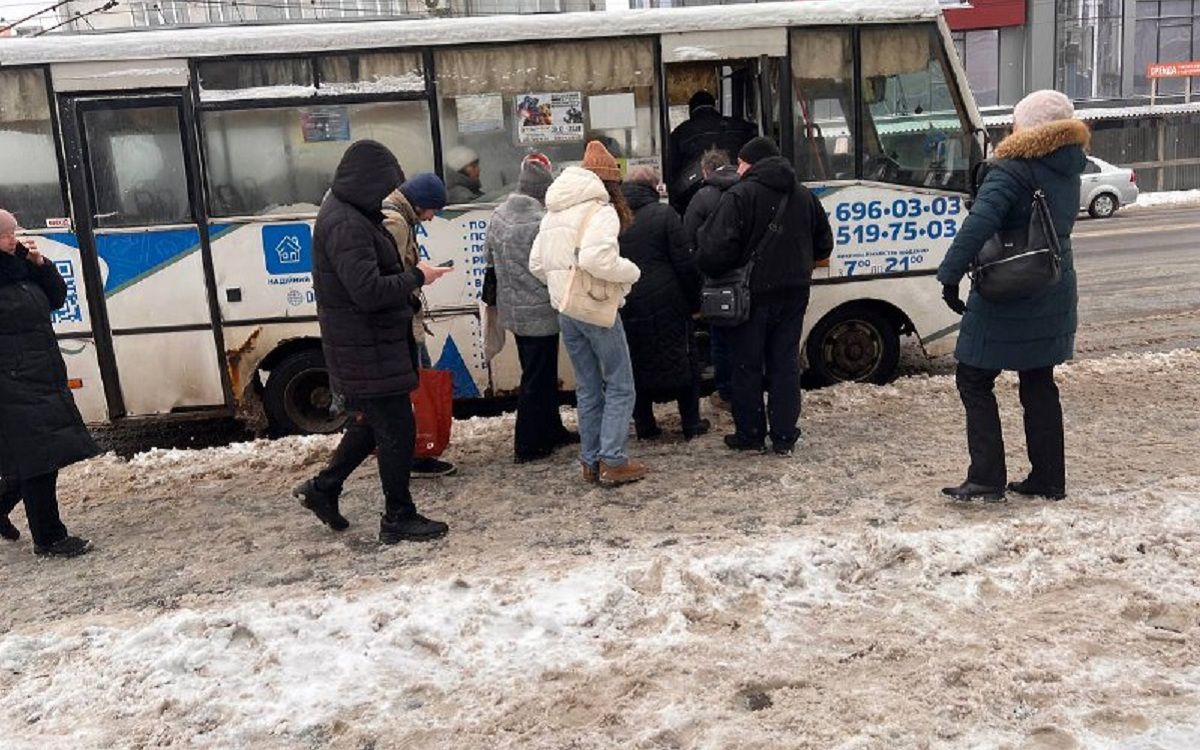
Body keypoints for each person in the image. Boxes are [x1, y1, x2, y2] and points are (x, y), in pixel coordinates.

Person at [294, 141, 454, 544]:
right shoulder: (346, 224)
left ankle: (323, 489)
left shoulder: (352, 215)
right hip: (367, 347)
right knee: (397, 429)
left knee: (371, 425)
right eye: (384, 186)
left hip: (370, 344)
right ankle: (398, 516)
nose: (386, 195)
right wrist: (418, 276)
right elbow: (367, 290)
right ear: (366, 182)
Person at [937, 90, 1087, 503]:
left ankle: (986, 478)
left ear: (1029, 128)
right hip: (1053, 282)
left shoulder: (1010, 170)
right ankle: (1048, 478)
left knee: (973, 376)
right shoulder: (1068, 165)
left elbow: (979, 224)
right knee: (1038, 380)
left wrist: (950, 275)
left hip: (1011, 285)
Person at [698, 136, 833, 456]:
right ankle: (785, 435)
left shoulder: (739, 196)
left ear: (752, 163)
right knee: (785, 364)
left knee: (747, 364)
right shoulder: (804, 196)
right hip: (795, 294)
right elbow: (824, 245)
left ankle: (751, 433)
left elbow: (713, 252)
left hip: (751, 296)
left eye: (742, 162)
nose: (738, 168)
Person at [529, 141, 645, 486]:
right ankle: (613, 460)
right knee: (621, 385)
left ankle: (590, 461)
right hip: (594, 307)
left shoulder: (554, 211)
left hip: (566, 309)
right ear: (610, 181)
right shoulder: (600, 210)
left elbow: (537, 263)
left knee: (589, 388)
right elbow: (598, 260)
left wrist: (562, 285)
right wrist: (631, 272)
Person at [0, 209, 97, 557]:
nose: (15, 239)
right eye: (7, 234)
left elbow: (57, 298)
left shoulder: (22, 267)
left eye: (14, 232)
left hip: (40, 374)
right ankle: (50, 538)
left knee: (34, 456)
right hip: (11, 382)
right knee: (40, 458)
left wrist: (41, 264)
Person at [484, 154, 579, 463]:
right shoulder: (541, 222)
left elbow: (489, 260)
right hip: (540, 311)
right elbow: (553, 264)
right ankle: (527, 445)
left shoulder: (498, 215)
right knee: (536, 379)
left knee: (538, 373)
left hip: (513, 310)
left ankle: (551, 429)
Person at [618, 165, 708, 441]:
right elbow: (684, 263)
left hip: (627, 299)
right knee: (683, 358)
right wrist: (695, 302)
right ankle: (691, 424)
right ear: (655, 187)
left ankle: (645, 426)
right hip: (668, 300)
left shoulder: (614, 216)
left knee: (635, 361)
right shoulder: (665, 214)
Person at [382, 172, 457, 479]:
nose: (431, 217)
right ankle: (417, 454)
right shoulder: (397, 223)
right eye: (432, 210)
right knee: (418, 388)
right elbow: (393, 276)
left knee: (419, 382)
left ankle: (416, 450)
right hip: (403, 320)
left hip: (404, 317)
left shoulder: (398, 216)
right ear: (420, 203)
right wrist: (421, 275)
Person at [682, 148, 741, 412]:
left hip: (715, 280)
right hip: (745, 278)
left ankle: (726, 392)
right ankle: (746, 389)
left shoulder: (702, 197)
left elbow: (688, 240)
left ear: (705, 171)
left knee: (720, 338)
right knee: (745, 337)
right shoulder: (745, 191)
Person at [667, 90, 757, 214]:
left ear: (690, 110)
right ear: (714, 105)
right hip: (740, 188)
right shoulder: (741, 126)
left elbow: (671, 169)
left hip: (693, 193)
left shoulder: (680, 133)